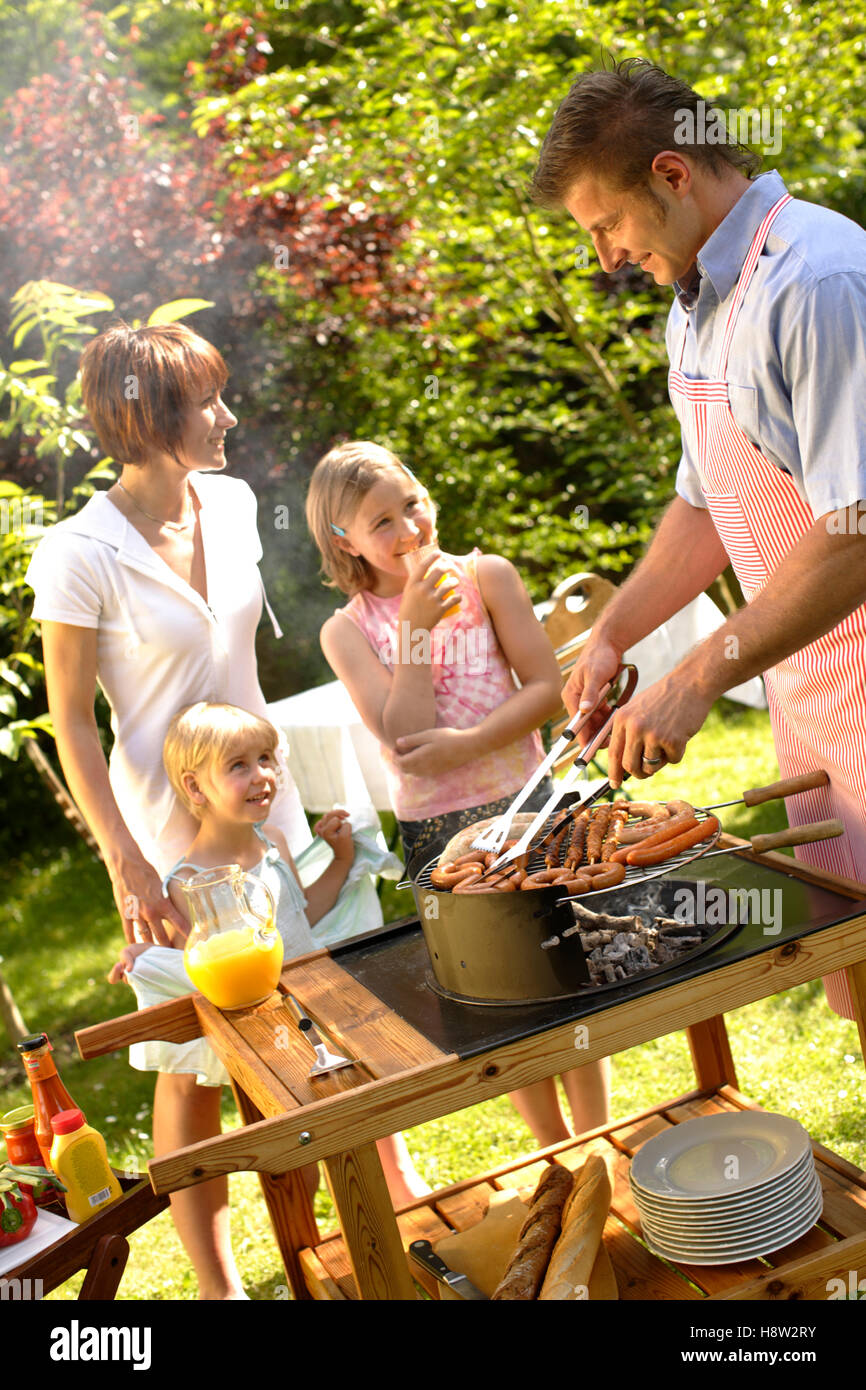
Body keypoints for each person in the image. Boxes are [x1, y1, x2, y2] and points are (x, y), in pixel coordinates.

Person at [529, 56, 866, 1020]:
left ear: (673, 176)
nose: (604, 258)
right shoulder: (698, 305)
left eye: (608, 225)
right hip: (816, 702)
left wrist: (697, 675)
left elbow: (856, 534)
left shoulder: (817, 278)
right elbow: (707, 503)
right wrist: (616, 636)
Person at [305, 439, 610, 1144]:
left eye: (411, 504)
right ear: (341, 539)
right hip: (439, 832)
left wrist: (473, 744)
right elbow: (407, 744)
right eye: (381, 522)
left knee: (568, 971)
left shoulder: (488, 576)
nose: (409, 529)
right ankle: (553, 1148)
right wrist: (413, 628)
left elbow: (544, 693)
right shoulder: (345, 632)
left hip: (525, 803)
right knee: (493, 997)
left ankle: (596, 1139)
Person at [25, 320, 310, 948]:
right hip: (164, 819)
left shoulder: (235, 504)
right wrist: (121, 854)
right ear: (147, 418)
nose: (228, 417)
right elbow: (71, 718)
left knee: (315, 975)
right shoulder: (78, 553)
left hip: (262, 788)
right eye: (206, 403)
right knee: (215, 1001)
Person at [111, 701, 354, 1299]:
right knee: (277, 1144)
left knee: (316, 1141)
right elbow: (191, 971)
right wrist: (144, 960)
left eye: (266, 759)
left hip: (300, 1021)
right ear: (195, 786)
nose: (262, 775)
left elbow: (300, 918)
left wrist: (345, 859)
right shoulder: (187, 883)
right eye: (239, 765)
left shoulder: (271, 842)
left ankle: (320, 1242)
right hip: (249, 1036)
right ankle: (241, 1274)